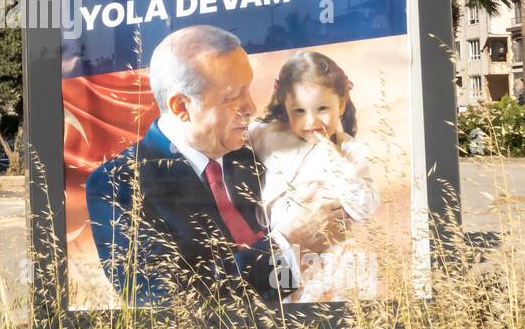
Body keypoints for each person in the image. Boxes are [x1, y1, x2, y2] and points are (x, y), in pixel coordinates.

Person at [86, 26, 346, 309]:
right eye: (232, 96)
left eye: (248, 89)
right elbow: (164, 304)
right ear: (181, 106)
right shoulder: (118, 184)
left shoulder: (257, 152)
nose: (251, 107)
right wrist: (288, 244)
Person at [250, 51, 379, 302]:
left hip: (332, 257)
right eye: (298, 110)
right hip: (284, 251)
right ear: (285, 106)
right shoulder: (269, 134)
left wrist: (333, 157)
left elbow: (365, 207)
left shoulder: (349, 152)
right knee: (284, 311)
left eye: (322, 108)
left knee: (327, 313)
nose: (311, 121)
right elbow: (233, 139)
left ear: (340, 104)